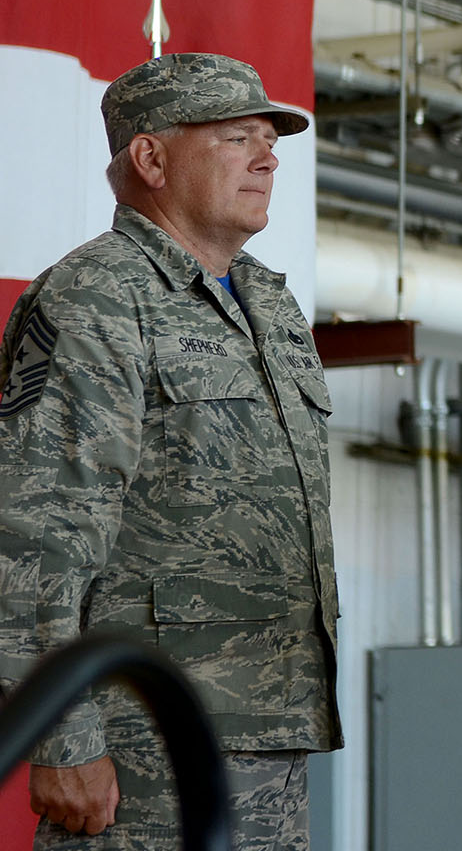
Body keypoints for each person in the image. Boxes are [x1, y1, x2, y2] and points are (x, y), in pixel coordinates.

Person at [0, 52, 341, 850]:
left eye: (270, 139)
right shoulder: (99, 297)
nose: (268, 158)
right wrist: (62, 734)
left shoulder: (268, 303)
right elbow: (38, 530)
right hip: (146, 737)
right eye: (235, 138)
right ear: (151, 158)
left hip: (271, 718)